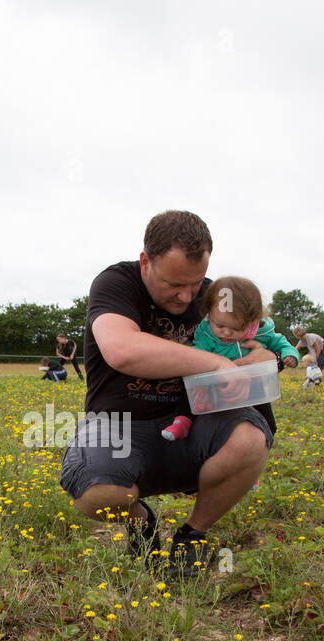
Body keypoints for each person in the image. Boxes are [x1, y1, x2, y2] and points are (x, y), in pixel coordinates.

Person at [59, 210, 275, 578]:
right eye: (175, 283)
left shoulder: (214, 295)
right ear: (146, 262)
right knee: (96, 493)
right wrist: (214, 364)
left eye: (195, 283)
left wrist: (260, 358)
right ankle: (141, 523)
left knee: (250, 439)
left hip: (193, 425)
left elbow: (261, 344)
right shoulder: (116, 283)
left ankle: (192, 535)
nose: (187, 295)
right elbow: (123, 350)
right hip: (120, 424)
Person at [160, 276, 299, 441]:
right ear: (209, 314)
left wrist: (289, 354)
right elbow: (197, 355)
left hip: (252, 385)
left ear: (252, 321)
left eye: (236, 328)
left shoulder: (262, 331)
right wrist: (199, 380)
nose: (226, 333)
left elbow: (281, 342)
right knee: (191, 396)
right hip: (214, 385)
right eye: (219, 325)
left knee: (266, 417)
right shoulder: (206, 333)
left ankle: (267, 432)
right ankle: (183, 421)